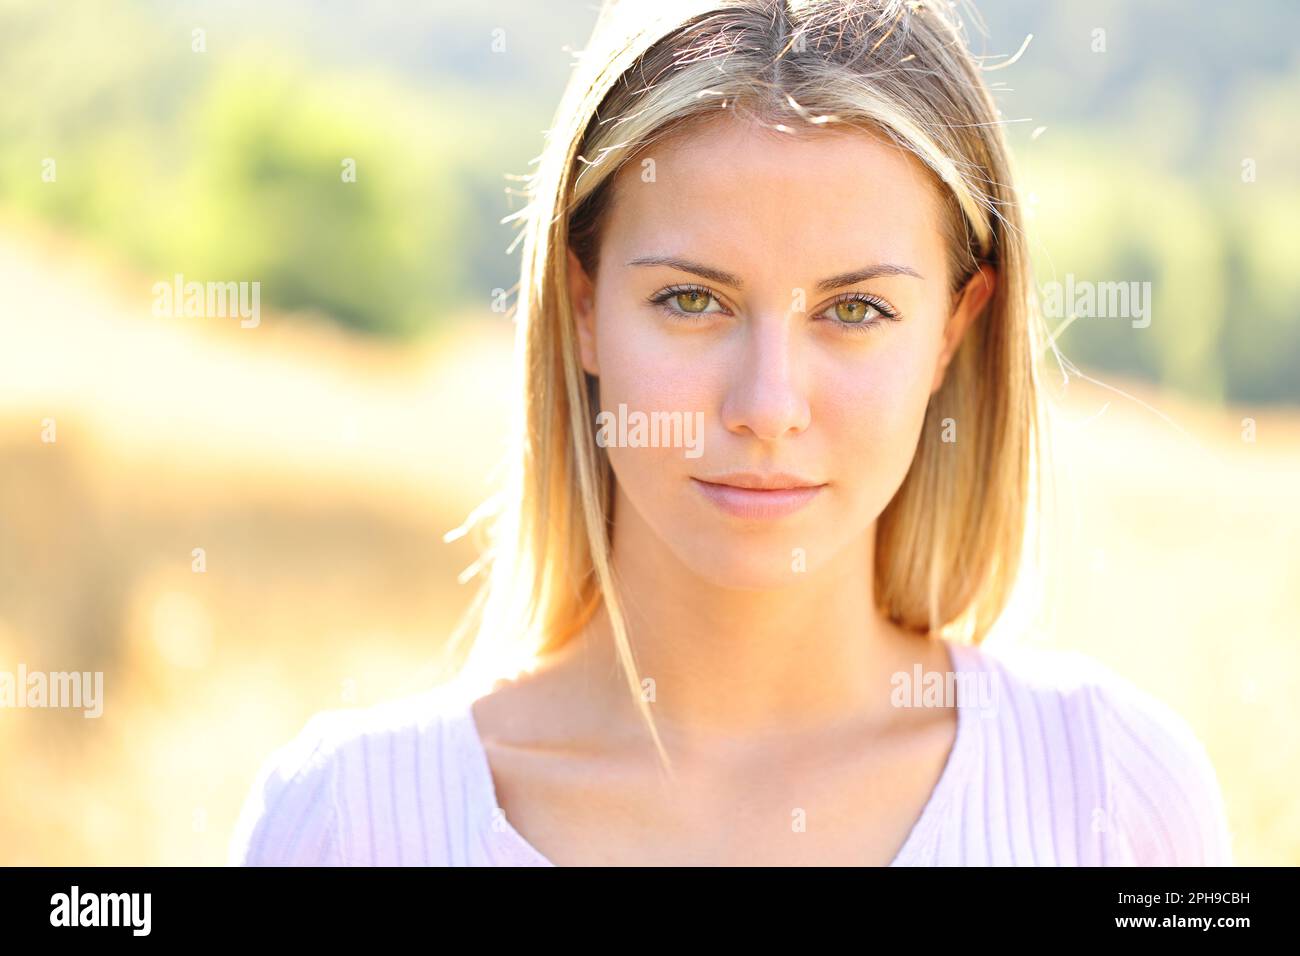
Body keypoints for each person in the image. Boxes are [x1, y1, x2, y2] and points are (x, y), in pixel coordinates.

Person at [229, 0, 1233, 866]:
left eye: (853, 311)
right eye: (690, 299)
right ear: (582, 307)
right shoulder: (346, 820)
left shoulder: (1113, 792)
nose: (766, 403)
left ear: (953, 332)